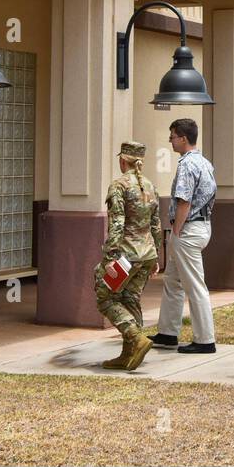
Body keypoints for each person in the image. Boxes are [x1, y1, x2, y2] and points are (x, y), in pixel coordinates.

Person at [150, 118, 218, 354]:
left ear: (183, 138)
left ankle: (205, 340)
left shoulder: (187, 165)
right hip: (199, 227)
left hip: (187, 230)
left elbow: (184, 201)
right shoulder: (205, 162)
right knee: (173, 280)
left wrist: (176, 231)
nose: (170, 140)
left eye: (172, 136)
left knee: (194, 285)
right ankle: (168, 333)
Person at [95, 141, 161, 372]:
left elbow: (117, 224)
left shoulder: (119, 186)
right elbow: (155, 224)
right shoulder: (150, 186)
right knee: (130, 299)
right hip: (146, 255)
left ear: (122, 160)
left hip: (125, 256)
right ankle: (128, 353)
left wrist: (110, 256)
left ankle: (136, 338)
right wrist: (156, 258)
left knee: (105, 297)